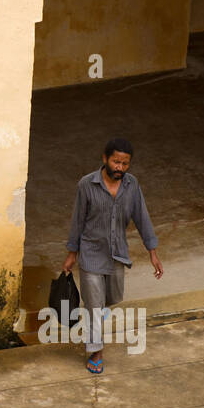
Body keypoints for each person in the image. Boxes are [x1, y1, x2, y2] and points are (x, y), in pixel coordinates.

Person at [61, 138, 163, 373]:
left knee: (113, 296)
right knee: (95, 305)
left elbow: (142, 218)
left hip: (118, 255)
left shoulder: (131, 185)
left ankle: (94, 312)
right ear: (105, 159)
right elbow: (77, 221)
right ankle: (96, 351)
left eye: (125, 163)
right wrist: (71, 253)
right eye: (116, 161)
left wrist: (153, 252)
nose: (120, 167)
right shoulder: (87, 185)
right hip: (91, 254)